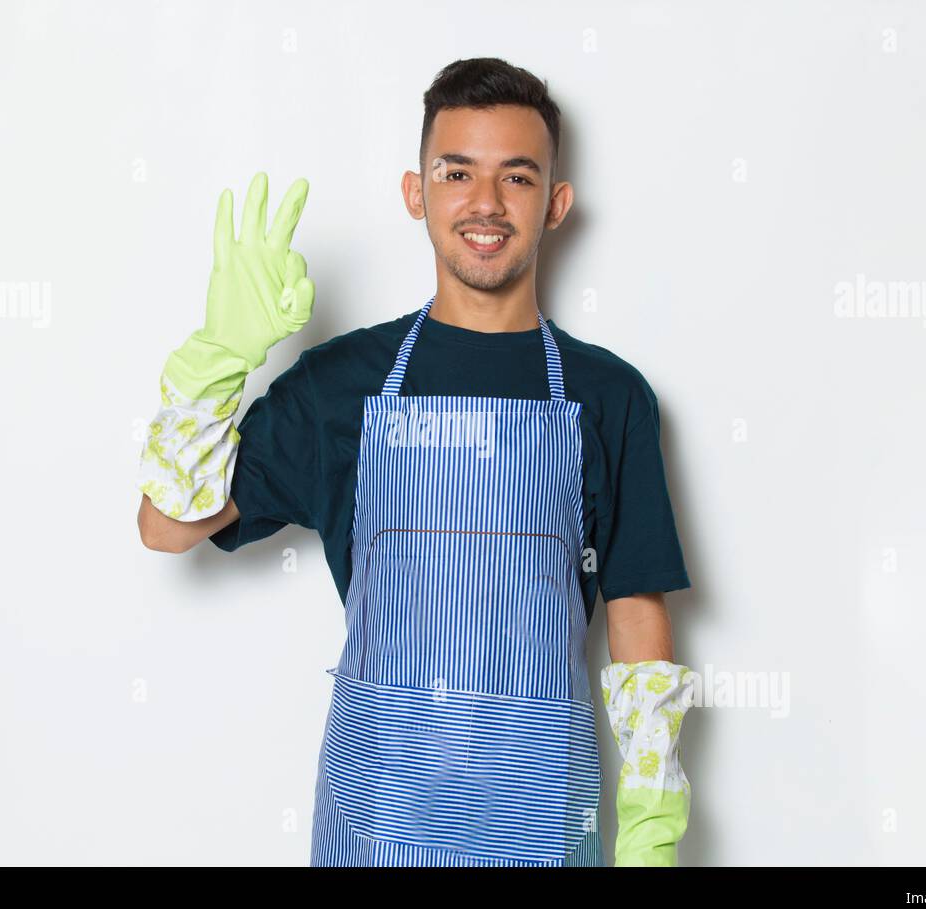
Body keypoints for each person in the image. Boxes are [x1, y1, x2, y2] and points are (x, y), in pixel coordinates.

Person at [135, 57, 696, 867]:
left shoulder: (608, 395)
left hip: (541, 819)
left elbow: (635, 612)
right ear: (416, 191)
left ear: (555, 205)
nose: (485, 204)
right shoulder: (339, 386)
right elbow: (166, 528)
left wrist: (651, 823)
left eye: (518, 177)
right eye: (457, 172)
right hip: (377, 815)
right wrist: (218, 358)